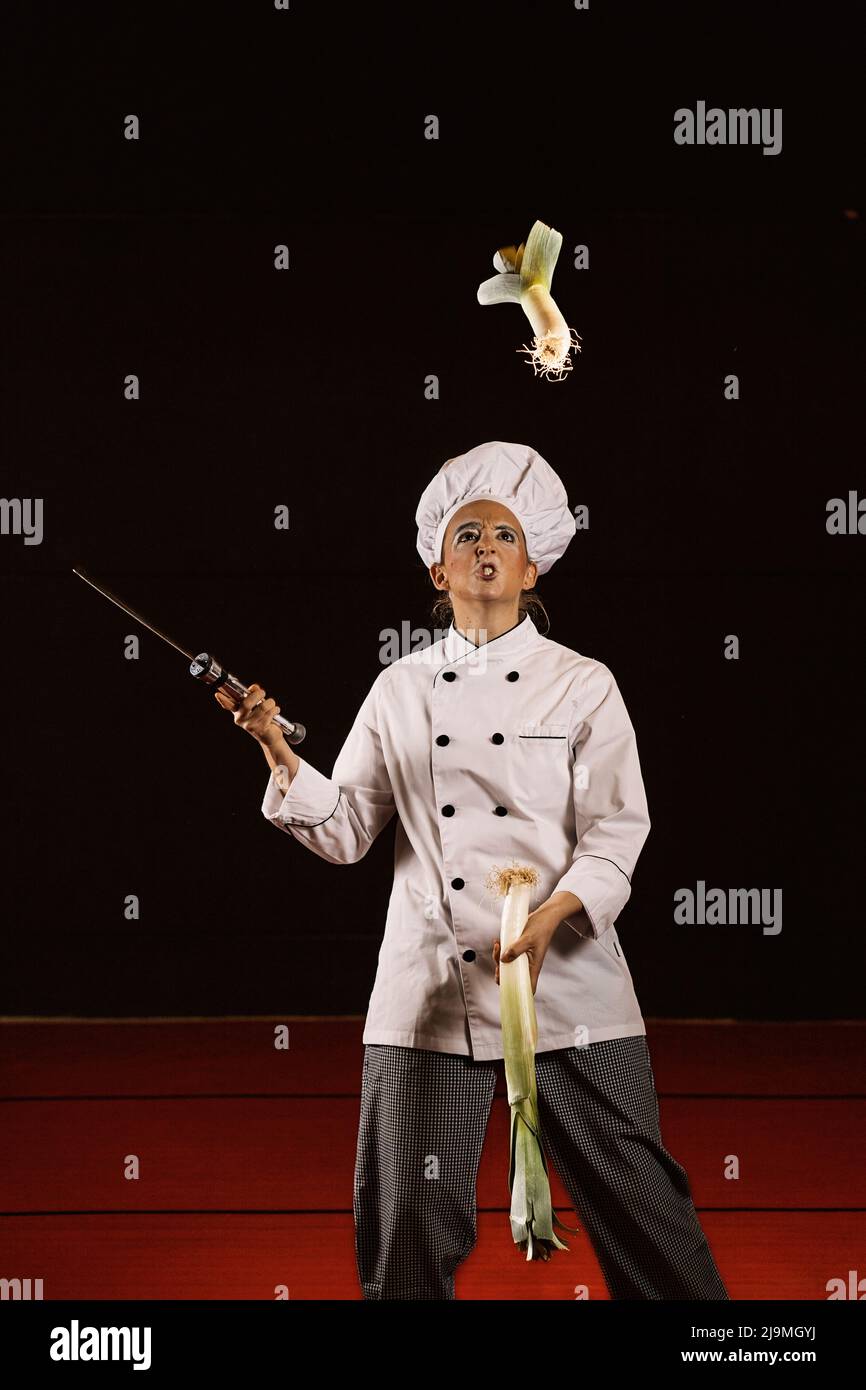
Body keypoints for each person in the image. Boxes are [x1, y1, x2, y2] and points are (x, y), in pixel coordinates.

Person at [215, 439, 729, 1301]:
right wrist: (274, 747)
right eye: (466, 534)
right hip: (427, 994)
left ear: (533, 566)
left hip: (568, 990)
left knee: (650, 1219)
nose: (484, 545)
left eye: (502, 534)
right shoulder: (398, 689)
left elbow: (615, 835)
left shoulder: (584, 684)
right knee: (405, 1234)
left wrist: (550, 919)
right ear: (436, 565)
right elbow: (345, 831)